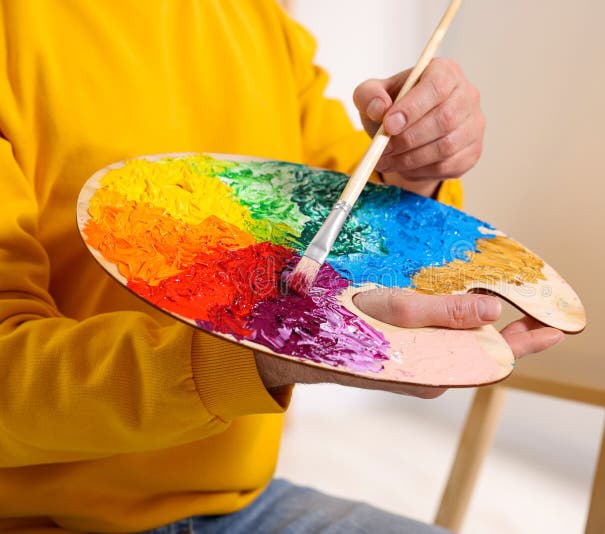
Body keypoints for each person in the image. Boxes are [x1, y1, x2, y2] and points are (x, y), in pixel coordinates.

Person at [0, 2, 564, 532]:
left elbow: (353, 226)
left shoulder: (256, 20)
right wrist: (268, 349)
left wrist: (415, 172)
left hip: (234, 507)